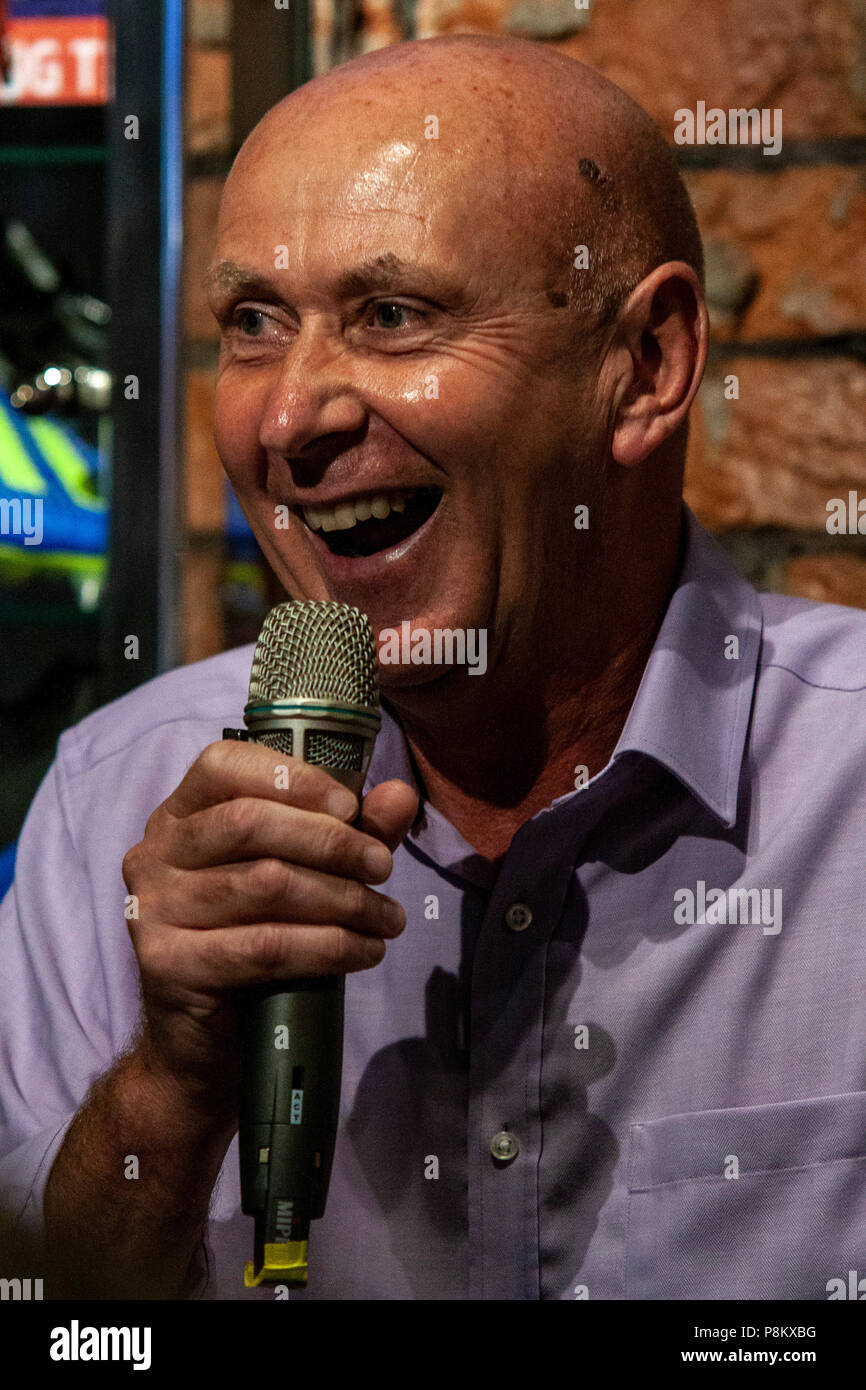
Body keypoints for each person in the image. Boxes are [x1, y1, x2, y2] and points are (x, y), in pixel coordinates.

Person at [2, 33, 865, 1302]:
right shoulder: (112, 799)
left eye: (391, 314)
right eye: (253, 323)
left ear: (646, 365)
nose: (290, 416)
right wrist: (168, 1087)